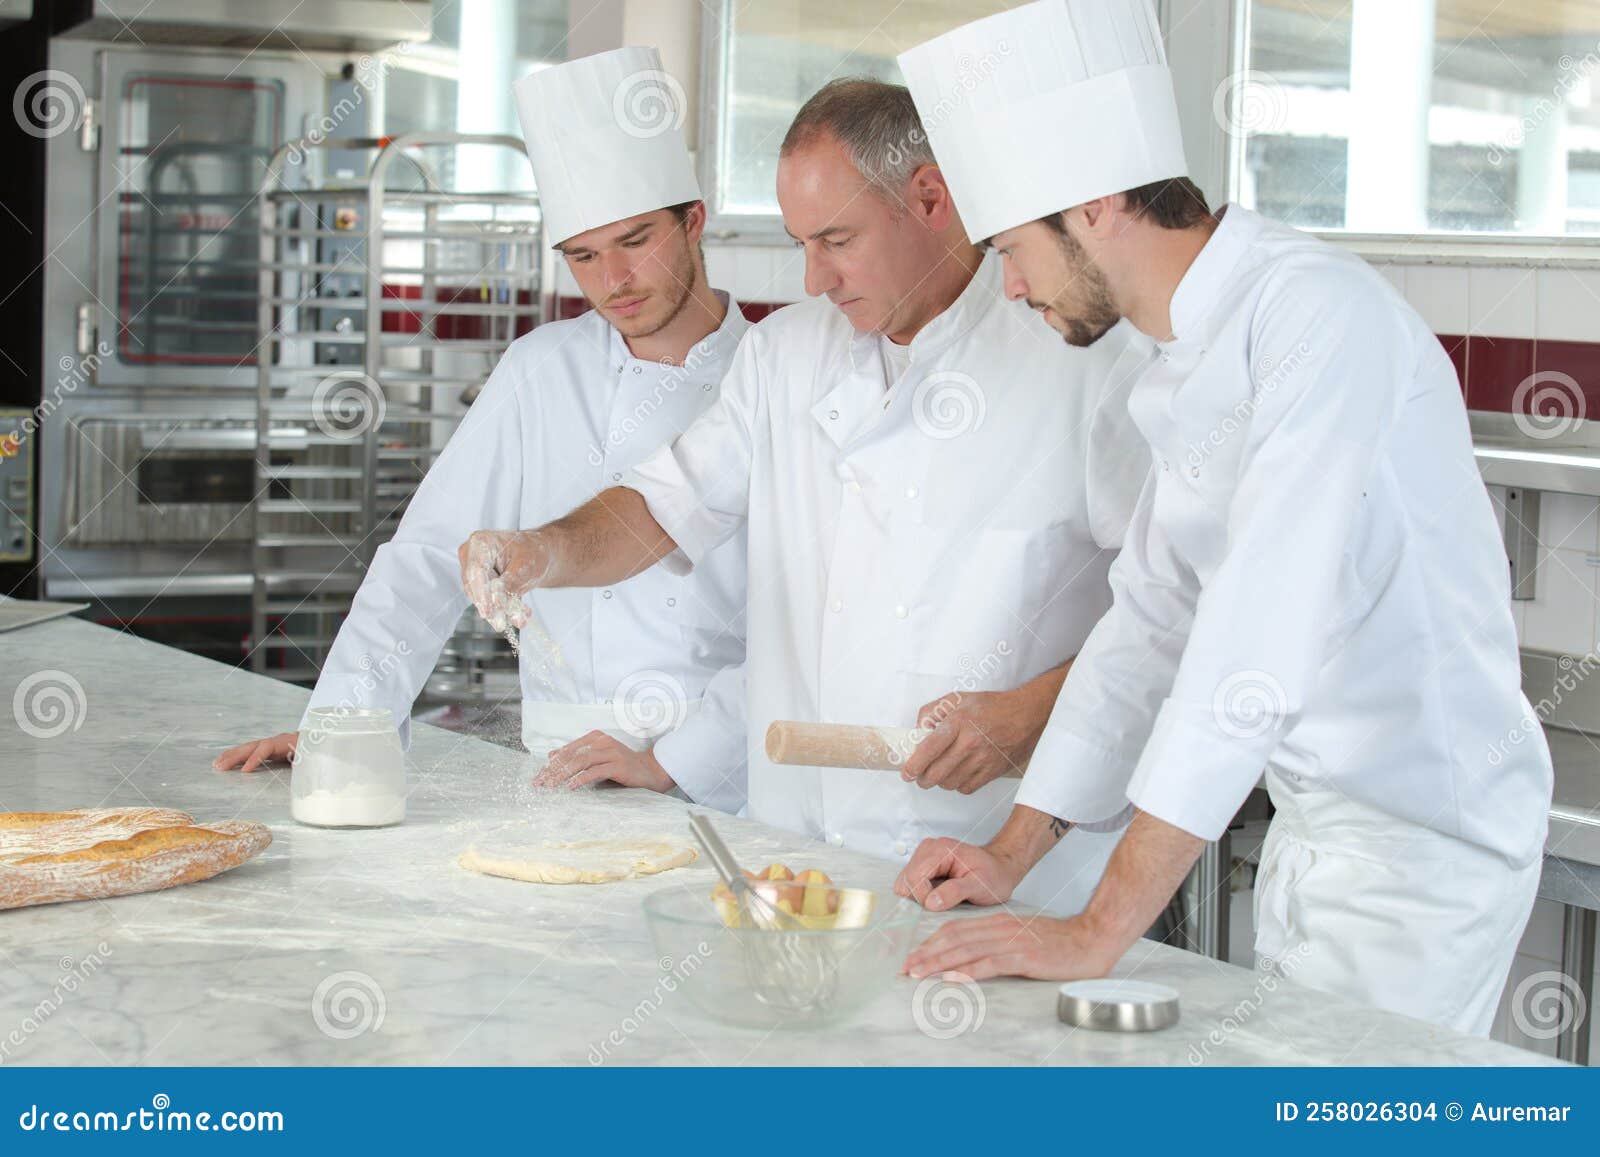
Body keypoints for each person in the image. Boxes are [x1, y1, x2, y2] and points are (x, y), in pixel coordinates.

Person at [893, 0, 1553, 1033]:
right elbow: (1149, 623)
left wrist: (1098, 923)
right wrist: (1009, 853)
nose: (1011, 287)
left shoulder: (1317, 320)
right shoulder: (1180, 356)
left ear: (1099, 201)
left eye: (1015, 247)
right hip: (1317, 826)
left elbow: (1253, 637)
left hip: (1423, 847)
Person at [459, 79, 1155, 915]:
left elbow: (1169, 610)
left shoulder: (1084, 360)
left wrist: (1032, 709)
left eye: (836, 239)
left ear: (930, 198)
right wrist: (542, 551)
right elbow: (661, 505)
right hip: (801, 855)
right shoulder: (787, 354)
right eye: (800, 243)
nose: (814, 277)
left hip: (1011, 868)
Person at [216, 47, 749, 814]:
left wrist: (675, 758)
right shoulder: (540, 367)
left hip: (724, 777)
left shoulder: (775, 373)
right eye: (584, 257)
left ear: (693, 220)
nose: (613, 283)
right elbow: (430, 557)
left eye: (636, 242)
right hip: (560, 774)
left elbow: (801, 624)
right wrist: (345, 728)